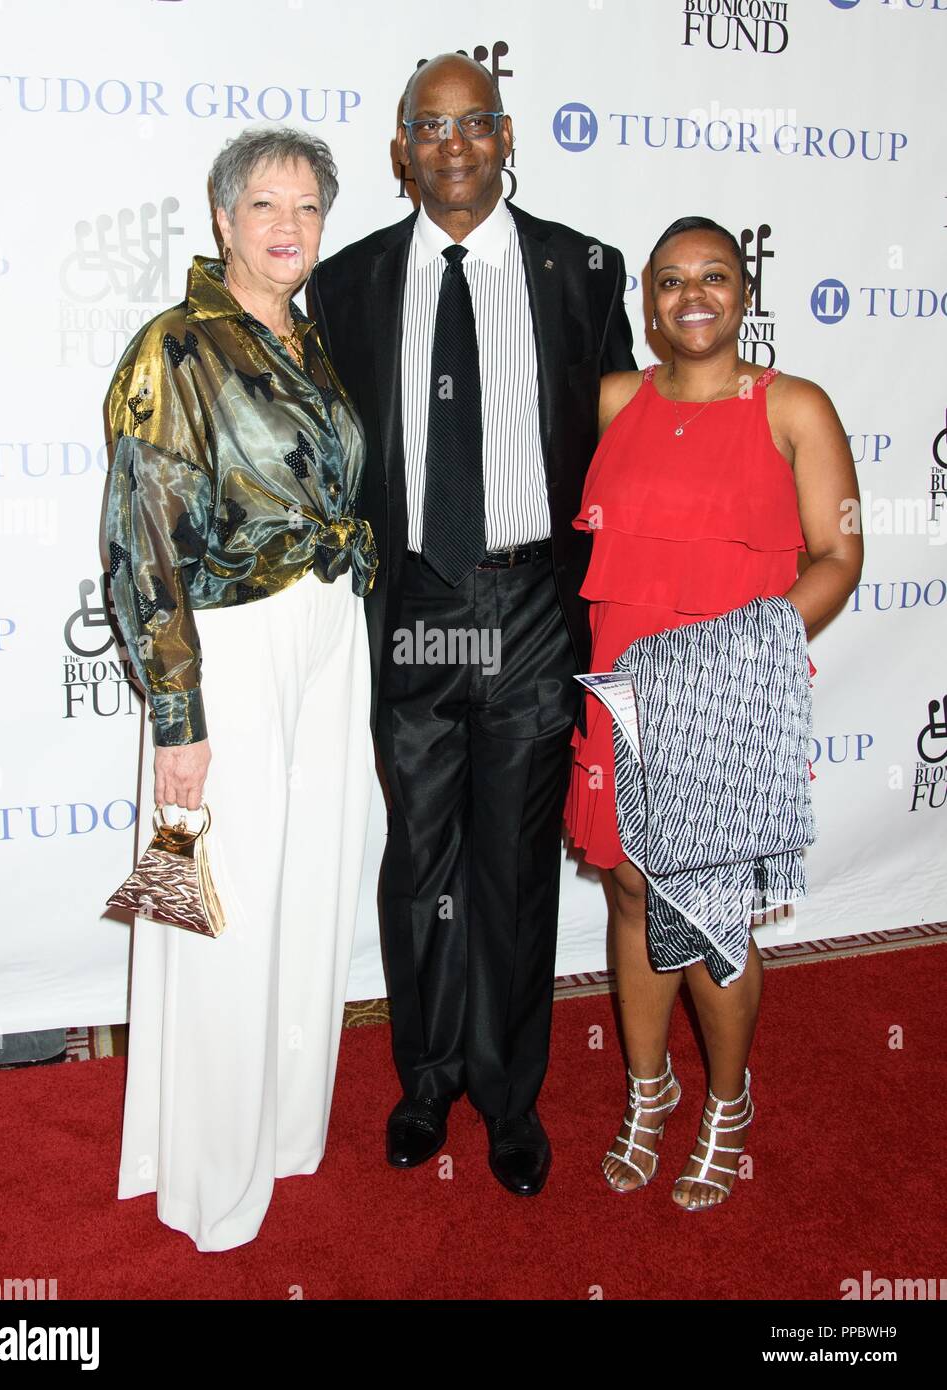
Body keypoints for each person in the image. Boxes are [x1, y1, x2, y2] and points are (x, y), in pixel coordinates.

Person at [309, 53, 635, 1196]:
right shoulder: (346, 285)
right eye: (430, 129)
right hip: (419, 606)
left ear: (507, 137)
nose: (454, 146)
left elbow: (628, 450)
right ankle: (426, 1078)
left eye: (475, 124)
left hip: (535, 602)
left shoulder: (582, 272)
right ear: (403, 149)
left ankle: (508, 1095)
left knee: (511, 863)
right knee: (422, 858)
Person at [102, 127, 377, 1251]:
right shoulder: (174, 346)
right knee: (219, 906)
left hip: (328, 632)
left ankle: (279, 1131)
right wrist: (180, 717)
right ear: (221, 219)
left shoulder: (309, 340)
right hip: (229, 645)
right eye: (264, 203)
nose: (287, 224)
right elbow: (141, 542)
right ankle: (209, 1176)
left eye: (308, 207)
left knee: (308, 888)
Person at [564, 215, 863, 1210]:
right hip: (620, 689)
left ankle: (726, 1101)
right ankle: (648, 1091)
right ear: (647, 305)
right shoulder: (610, 400)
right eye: (672, 281)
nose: (694, 295)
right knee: (635, 896)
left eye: (715, 277)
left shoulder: (795, 408)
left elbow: (840, 556)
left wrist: (730, 658)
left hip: (729, 693)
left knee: (710, 913)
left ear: (744, 293)